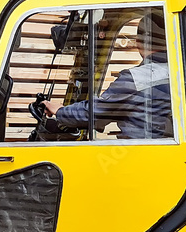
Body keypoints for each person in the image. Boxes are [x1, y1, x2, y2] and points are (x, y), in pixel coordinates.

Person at [43, 12, 173, 140]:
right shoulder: (178, 72)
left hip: (138, 156)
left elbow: (97, 113)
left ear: (138, 42)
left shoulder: (137, 79)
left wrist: (60, 111)